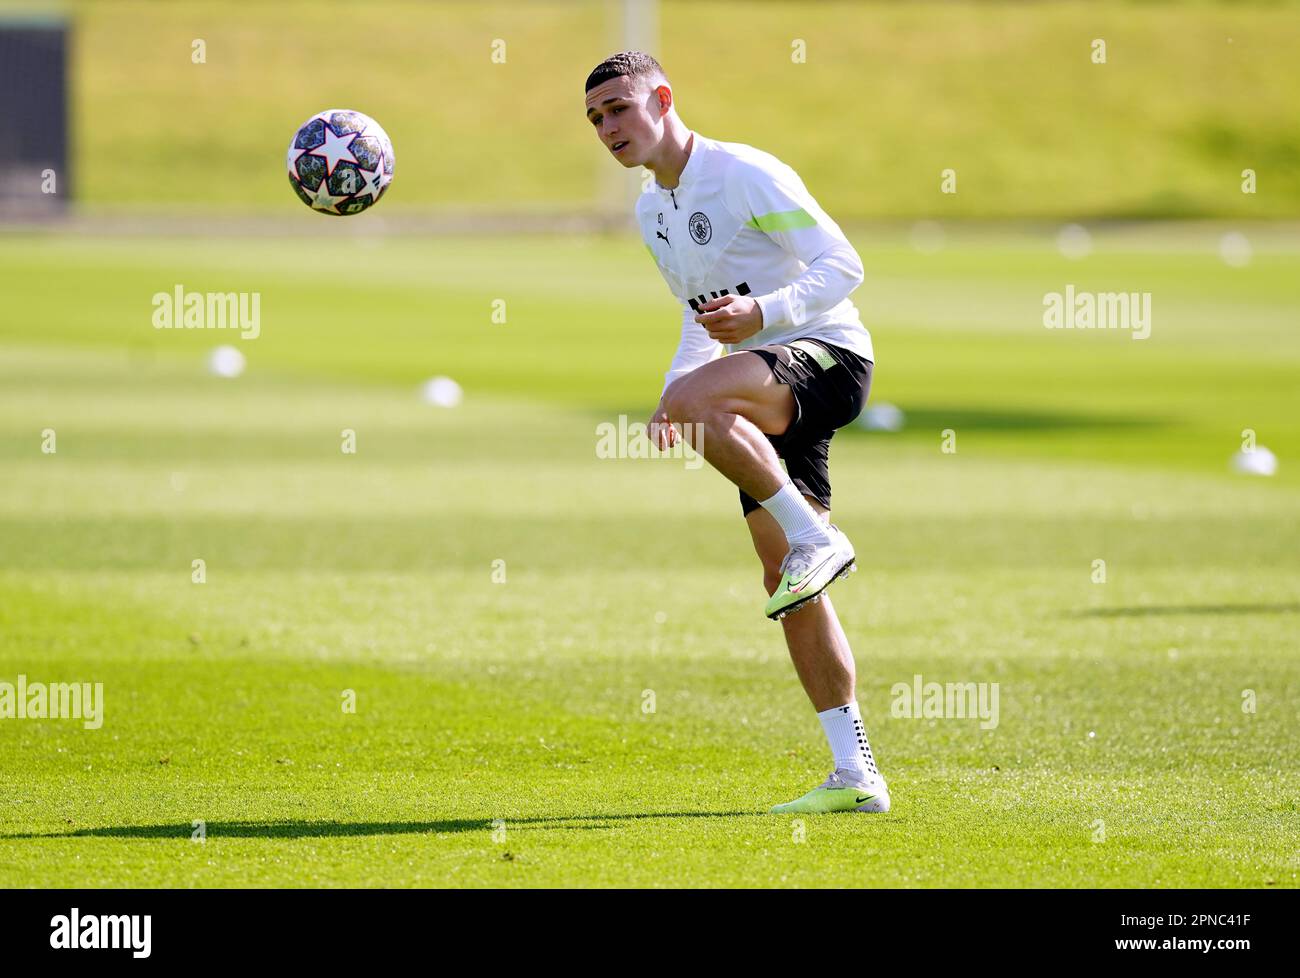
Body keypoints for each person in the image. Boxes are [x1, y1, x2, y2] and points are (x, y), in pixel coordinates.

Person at [584, 52, 889, 813]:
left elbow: (842, 264)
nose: (608, 128)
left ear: (662, 98)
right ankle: (856, 775)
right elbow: (701, 316)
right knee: (786, 584)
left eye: (619, 108)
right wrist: (672, 395)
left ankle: (819, 539)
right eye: (595, 119)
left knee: (800, 552)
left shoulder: (744, 172)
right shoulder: (652, 211)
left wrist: (765, 314)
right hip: (763, 378)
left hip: (830, 355)